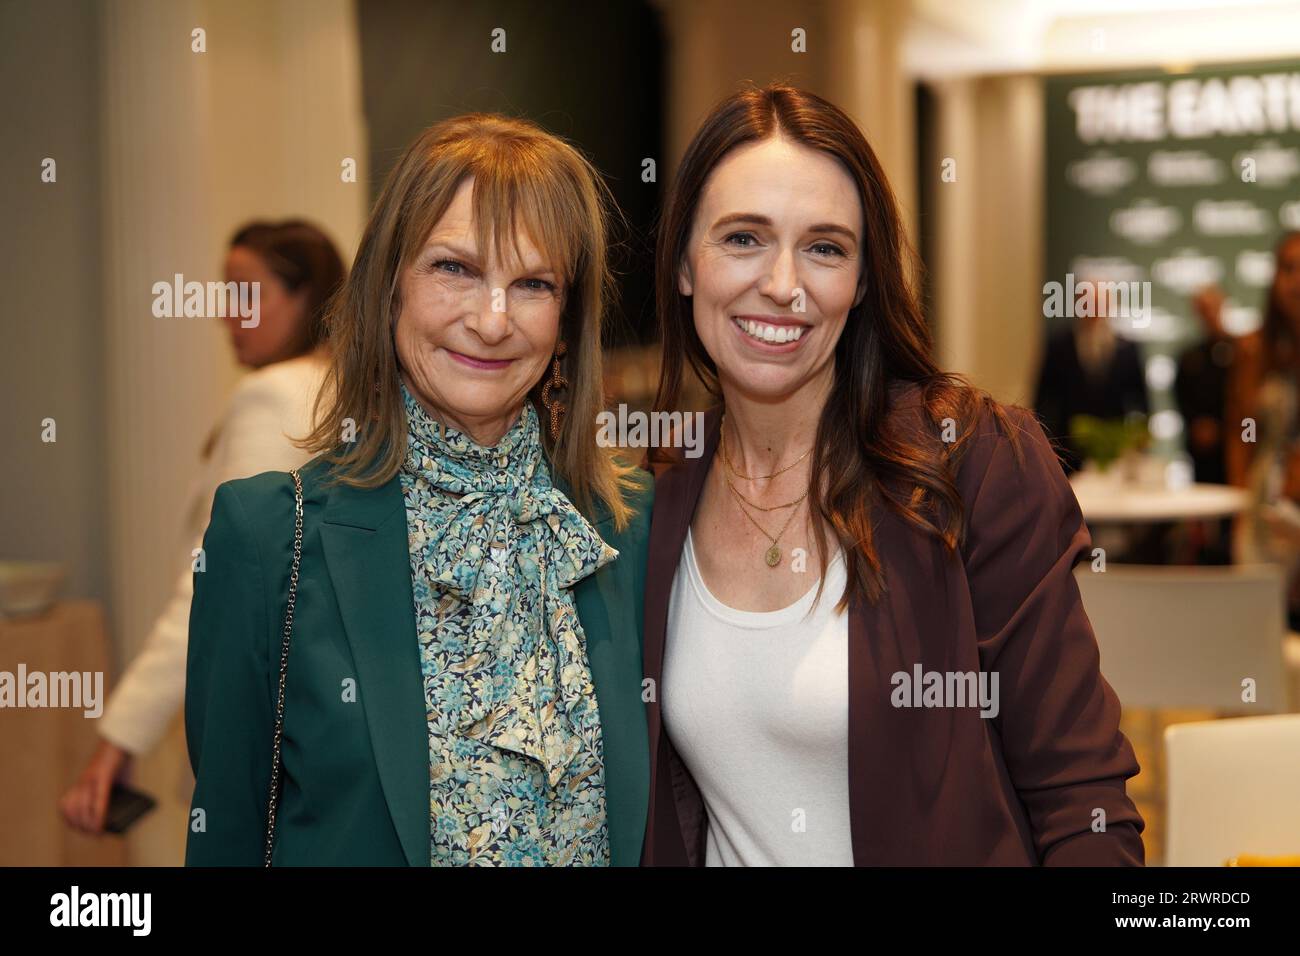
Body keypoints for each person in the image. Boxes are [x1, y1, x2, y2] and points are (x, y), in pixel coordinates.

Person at [642, 84, 1145, 866]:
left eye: (825, 247)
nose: (782, 283)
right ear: (683, 262)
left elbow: (1085, 804)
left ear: (865, 281)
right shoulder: (652, 497)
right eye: (743, 238)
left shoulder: (973, 461)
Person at [184, 114, 653, 866]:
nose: (492, 320)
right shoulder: (269, 536)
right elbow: (228, 837)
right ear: (388, 285)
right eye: (455, 269)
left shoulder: (624, 530)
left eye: (532, 283)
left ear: (567, 322)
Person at [59, 220, 344, 835]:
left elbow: (215, 582)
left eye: (244, 292)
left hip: (268, 718)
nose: (224, 313)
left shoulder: (276, 395)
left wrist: (121, 735)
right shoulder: (341, 389)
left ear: (304, 296)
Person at [1226, 231, 1300, 624]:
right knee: (1259, 619)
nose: (1296, 280)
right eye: (1288, 268)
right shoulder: (1255, 349)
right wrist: (1239, 502)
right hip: (1264, 502)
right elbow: (1240, 434)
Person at [1033, 276, 1149, 474]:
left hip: (1114, 450)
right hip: (1067, 451)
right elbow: (1043, 399)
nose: (1093, 309)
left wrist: (1138, 443)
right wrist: (1045, 445)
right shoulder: (1059, 346)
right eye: (1087, 302)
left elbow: (1142, 402)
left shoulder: (1127, 349)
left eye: (1098, 303)